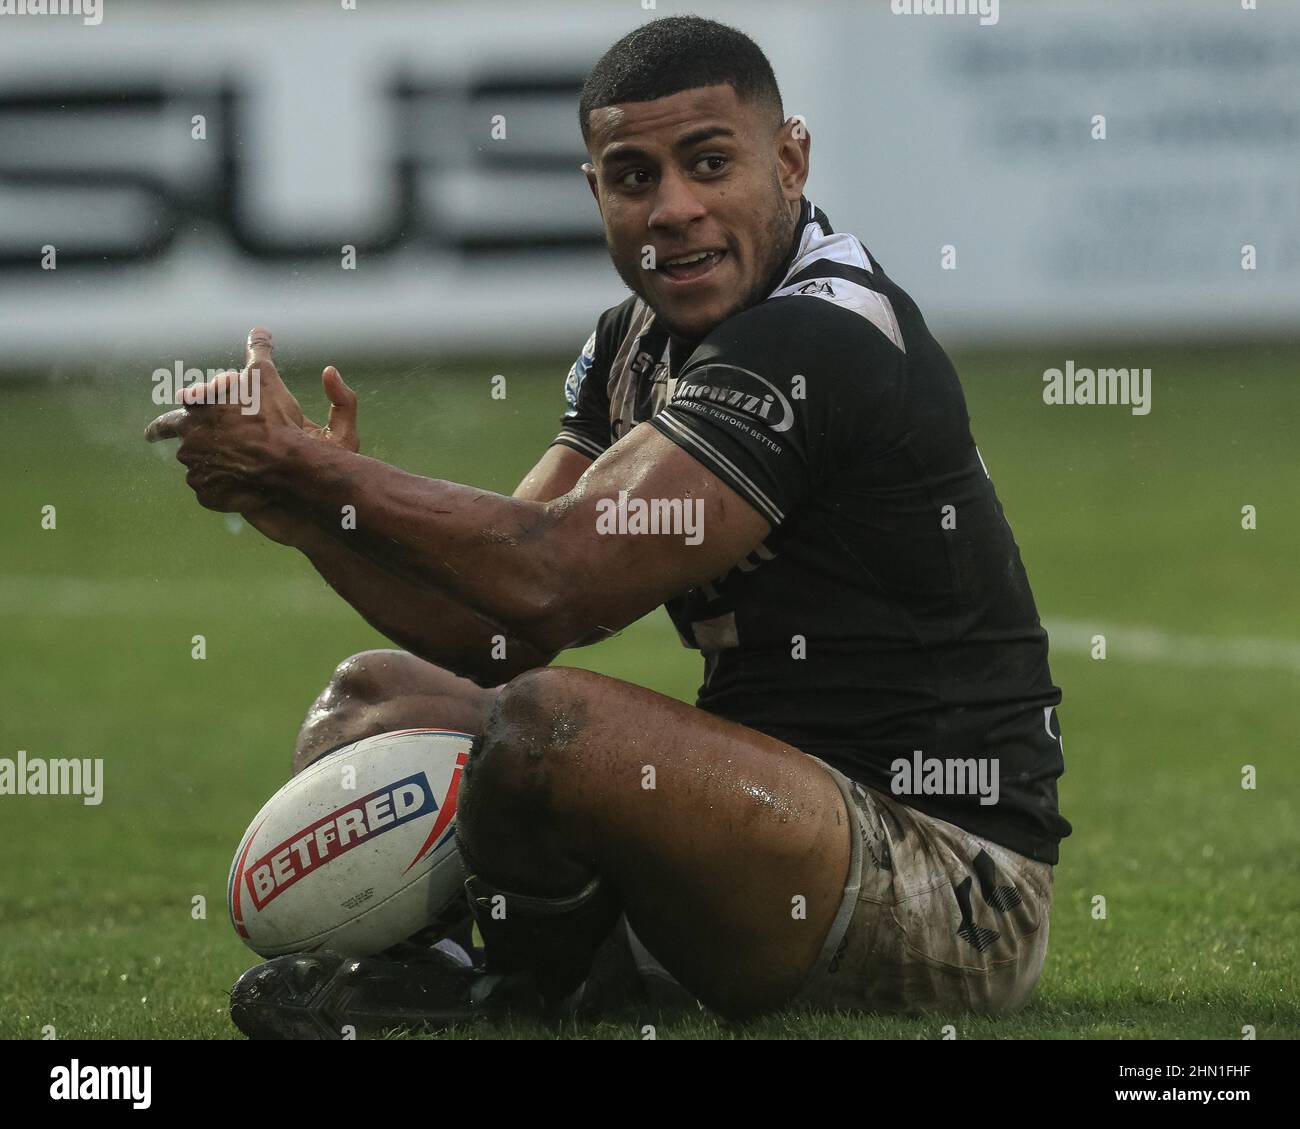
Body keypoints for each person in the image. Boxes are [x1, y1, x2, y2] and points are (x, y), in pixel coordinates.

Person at [147, 15, 1069, 1038]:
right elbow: (491, 629)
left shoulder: (820, 333)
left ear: (790, 159)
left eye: (709, 164)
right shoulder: (635, 339)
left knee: (554, 727)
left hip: (945, 879)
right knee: (370, 704)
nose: (673, 208)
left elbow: (559, 578)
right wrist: (313, 510)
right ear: (596, 192)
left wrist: (317, 470)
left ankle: (521, 1001)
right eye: (633, 177)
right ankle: (449, 969)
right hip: (755, 833)